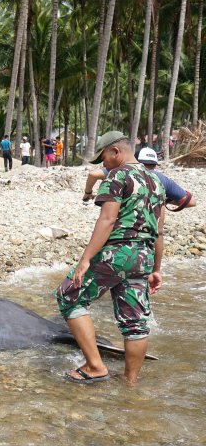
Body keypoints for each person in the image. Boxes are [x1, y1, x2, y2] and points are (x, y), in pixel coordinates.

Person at [56, 131, 165, 386]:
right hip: (143, 257)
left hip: (117, 253)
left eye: (103, 158)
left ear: (116, 152)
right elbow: (159, 231)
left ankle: (95, 366)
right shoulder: (156, 181)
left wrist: (85, 260)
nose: (103, 164)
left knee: (68, 295)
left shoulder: (118, 175)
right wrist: (156, 268)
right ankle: (130, 382)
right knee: (136, 322)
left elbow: (108, 219)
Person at [83, 147, 195, 211]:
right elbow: (190, 202)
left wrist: (88, 192)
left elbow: (93, 174)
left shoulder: (124, 171)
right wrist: (161, 199)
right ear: (155, 164)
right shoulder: (163, 179)